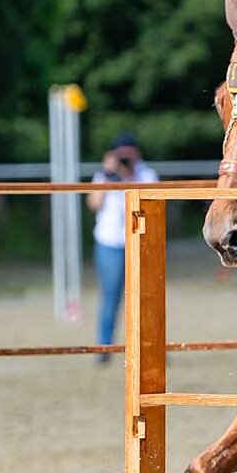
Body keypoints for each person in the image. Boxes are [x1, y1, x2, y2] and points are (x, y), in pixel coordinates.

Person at [87, 135, 159, 362]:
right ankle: (105, 349)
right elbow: (94, 204)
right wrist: (109, 176)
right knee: (110, 298)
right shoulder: (103, 176)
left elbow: (154, 205)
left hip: (141, 243)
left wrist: (128, 176)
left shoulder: (146, 175)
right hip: (109, 243)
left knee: (146, 298)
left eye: (130, 154)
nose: (127, 160)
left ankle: (149, 348)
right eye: (122, 156)